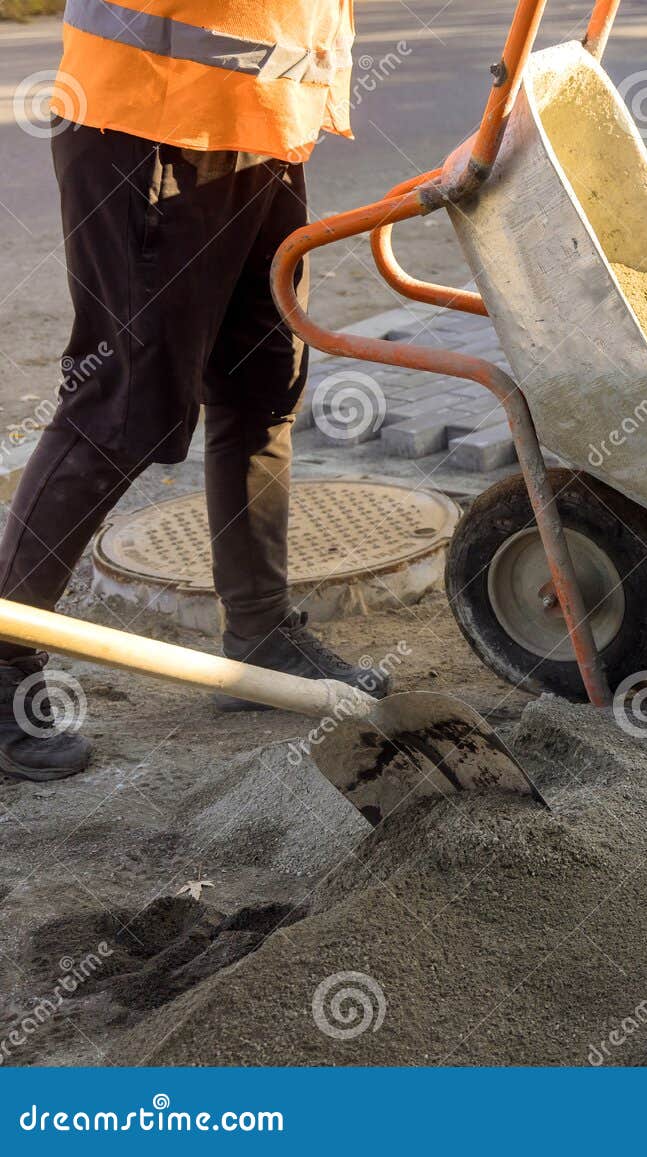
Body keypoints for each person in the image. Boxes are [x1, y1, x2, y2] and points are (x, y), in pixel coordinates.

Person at [0, 0, 389, 783]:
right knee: (122, 405)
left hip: (263, 121)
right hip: (154, 118)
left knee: (263, 382)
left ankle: (259, 629)